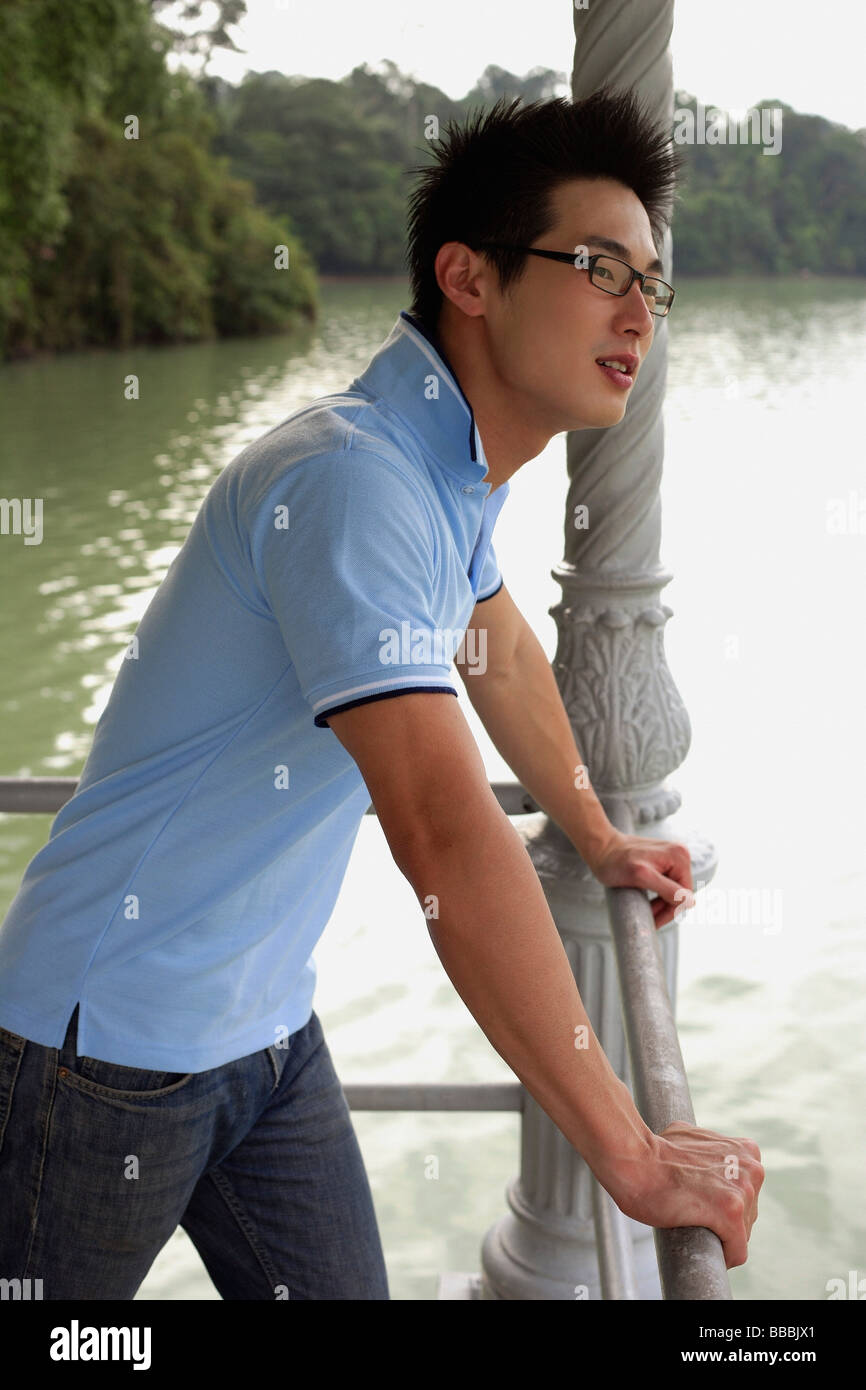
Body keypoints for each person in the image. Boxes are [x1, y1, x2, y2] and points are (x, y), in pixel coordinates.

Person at [0, 88, 763, 1301]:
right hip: (106, 1049)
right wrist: (626, 1149)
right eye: (601, 268)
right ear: (469, 276)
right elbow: (444, 835)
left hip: (265, 1031)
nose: (639, 313)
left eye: (653, 285)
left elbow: (498, 649)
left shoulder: (437, 468)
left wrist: (598, 834)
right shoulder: (353, 482)